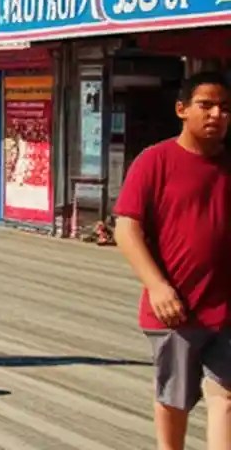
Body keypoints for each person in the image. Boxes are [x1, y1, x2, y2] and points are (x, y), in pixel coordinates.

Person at [114, 71, 231, 450]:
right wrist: (157, 285)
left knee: (226, 396)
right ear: (181, 109)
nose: (217, 114)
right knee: (174, 399)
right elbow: (126, 229)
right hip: (175, 310)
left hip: (225, 308)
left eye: (225, 108)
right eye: (206, 105)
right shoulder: (155, 161)